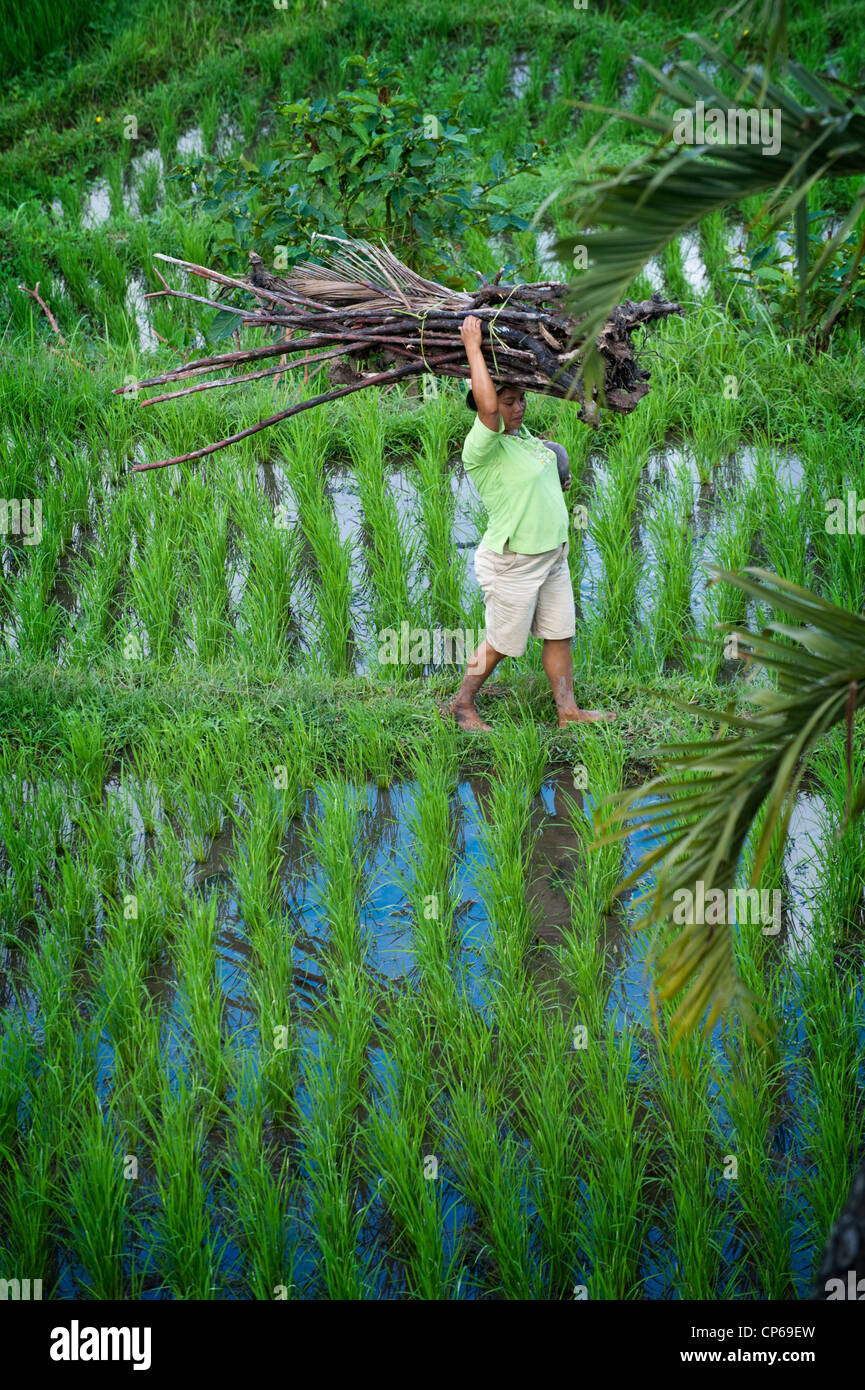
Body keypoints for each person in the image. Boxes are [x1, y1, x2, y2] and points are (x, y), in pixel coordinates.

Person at [446, 314, 615, 732]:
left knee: (559, 632)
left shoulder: (521, 437)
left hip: (553, 554)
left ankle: (568, 712)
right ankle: (462, 704)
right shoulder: (482, 446)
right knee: (502, 642)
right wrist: (472, 344)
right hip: (513, 562)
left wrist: (559, 460)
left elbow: (548, 456)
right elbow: (487, 407)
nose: (518, 407)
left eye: (521, 399)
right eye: (509, 402)